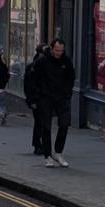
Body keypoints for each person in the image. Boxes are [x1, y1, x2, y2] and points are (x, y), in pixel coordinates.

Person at [34, 38, 76, 168]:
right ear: (52, 49)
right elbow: (35, 80)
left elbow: (71, 77)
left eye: (61, 51)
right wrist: (37, 97)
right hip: (46, 98)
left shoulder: (66, 61)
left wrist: (68, 93)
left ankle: (58, 153)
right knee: (46, 127)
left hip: (62, 98)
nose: (59, 53)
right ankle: (48, 156)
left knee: (64, 125)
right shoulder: (42, 61)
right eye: (57, 50)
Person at [23, 43, 48, 154]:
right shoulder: (33, 67)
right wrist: (31, 100)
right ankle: (38, 145)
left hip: (45, 99)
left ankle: (40, 144)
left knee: (41, 122)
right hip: (37, 99)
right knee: (40, 122)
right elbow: (28, 86)